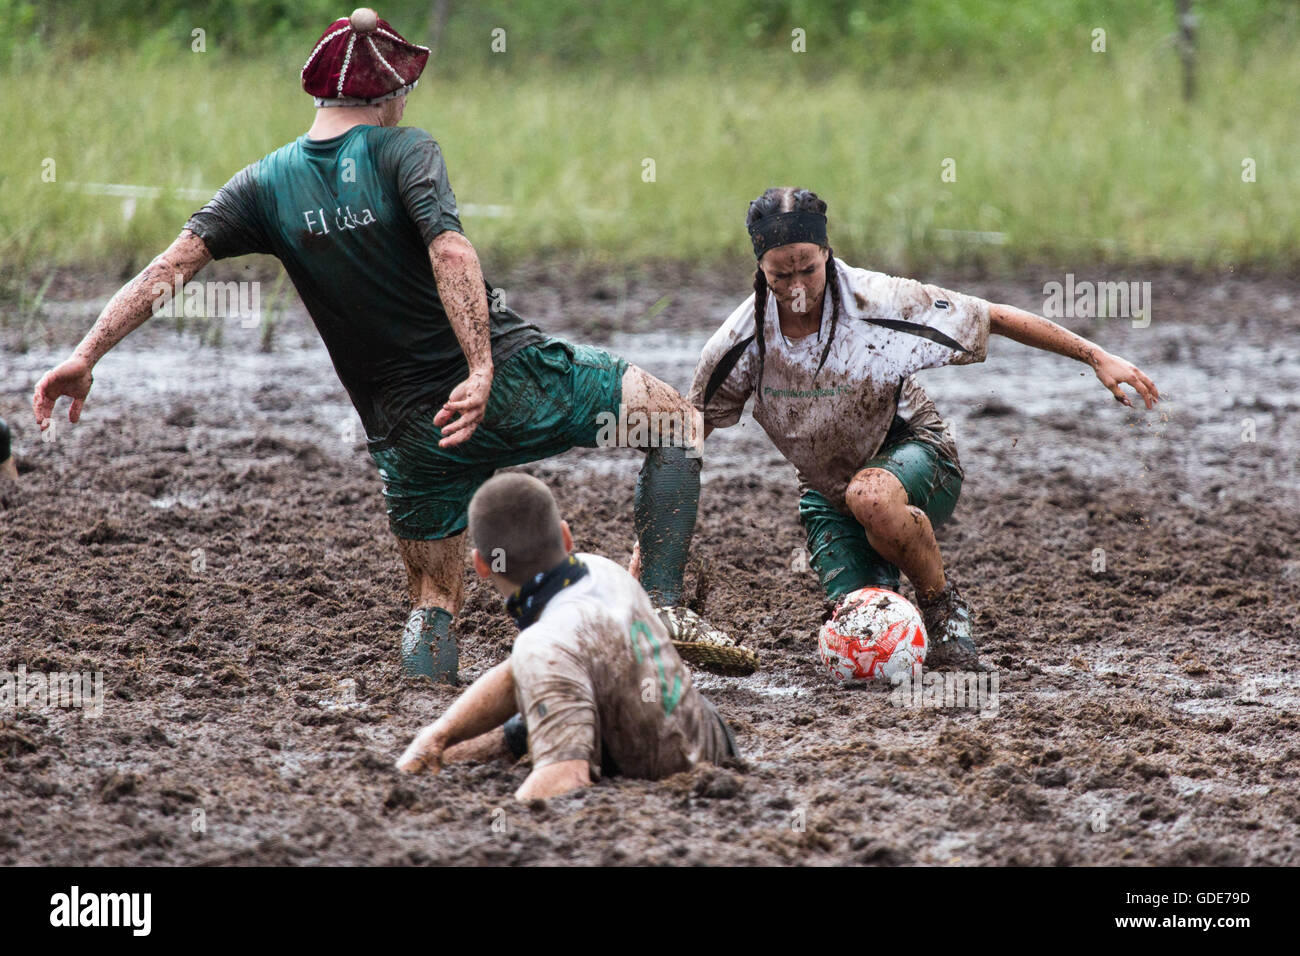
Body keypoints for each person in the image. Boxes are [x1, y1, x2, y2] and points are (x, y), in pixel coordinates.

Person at [31, 8, 729, 683]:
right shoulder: (407, 149)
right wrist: (483, 368)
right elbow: (451, 253)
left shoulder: (264, 183)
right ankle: (661, 602)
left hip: (407, 433)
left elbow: (168, 272)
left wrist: (86, 355)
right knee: (674, 422)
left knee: (434, 600)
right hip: (509, 383)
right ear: (390, 91)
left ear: (320, 90)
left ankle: (421, 742)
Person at [690, 187, 1160, 667]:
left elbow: (990, 316)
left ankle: (942, 608)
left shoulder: (877, 300)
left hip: (920, 456)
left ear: (828, 255)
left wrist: (1095, 355)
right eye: (780, 275)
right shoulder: (740, 340)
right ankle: (883, 588)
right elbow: (686, 439)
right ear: (760, 270)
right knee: (864, 635)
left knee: (870, 495)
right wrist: (653, 550)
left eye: (808, 269)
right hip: (827, 496)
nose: (796, 288)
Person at [396, 473, 737, 800]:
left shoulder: (544, 644)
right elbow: (521, 669)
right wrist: (437, 734)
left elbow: (567, 777)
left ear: (482, 566)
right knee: (544, 698)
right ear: (566, 537)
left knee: (552, 704)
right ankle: (434, 755)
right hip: (711, 733)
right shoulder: (602, 568)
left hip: (674, 772)